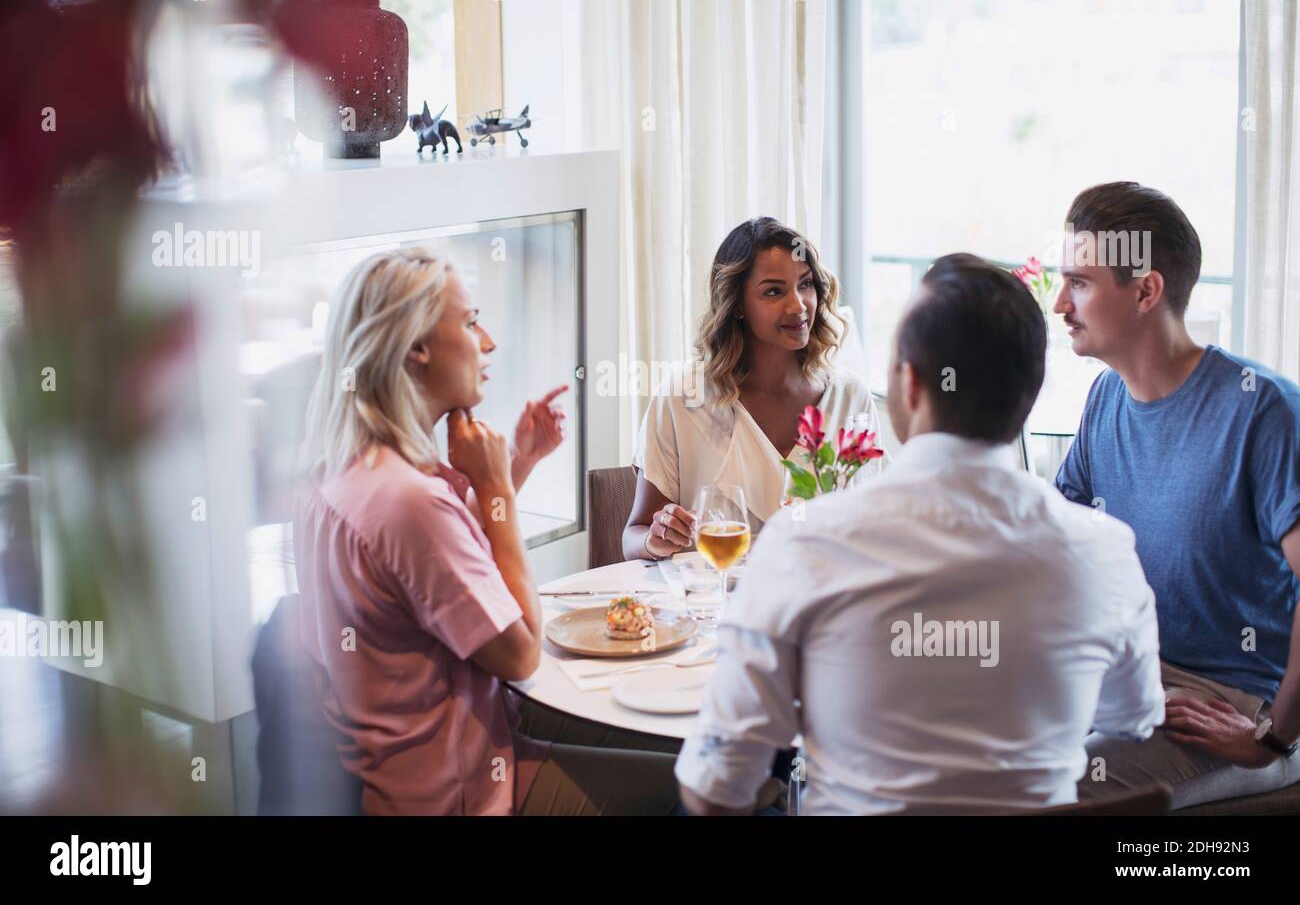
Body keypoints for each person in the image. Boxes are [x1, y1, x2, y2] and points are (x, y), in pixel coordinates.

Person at [674, 254, 1166, 814]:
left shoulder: (805, 543)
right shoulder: (1105, 552)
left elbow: (714, 789)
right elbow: (1132, 718)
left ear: (909, 385)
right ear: (1031, 390)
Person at [294, 246, 682, 815]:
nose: (490, 341)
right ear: (417, 346)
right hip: (469, 794)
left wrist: (517, 462)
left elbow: (440, 570)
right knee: (713, 781)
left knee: (678, 752)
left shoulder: (348, 474)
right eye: (472, 321)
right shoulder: (409, 502)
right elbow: (523, 653)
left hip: (415, 774)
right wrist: (497, 487)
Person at [1052, 182, 1300, 808]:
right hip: (1127, 682)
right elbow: (1058, 551)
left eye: (1079, 282)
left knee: (1047, 786)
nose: (1059, 303)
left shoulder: (1263, 410)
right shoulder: (1105, 399)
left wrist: (1275, 737)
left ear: (1146, 290)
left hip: (1225, 706)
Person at [624, 216, 882, 560]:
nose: (798, 305)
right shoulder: (683, 397)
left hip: (819, 602)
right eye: (773, 291)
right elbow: (634, 535)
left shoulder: (850, 398)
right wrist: (654, 540)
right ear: (739, 305)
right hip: (713, 604)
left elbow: (874, 527)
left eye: (805, 285)